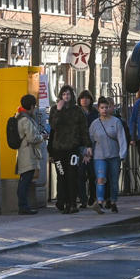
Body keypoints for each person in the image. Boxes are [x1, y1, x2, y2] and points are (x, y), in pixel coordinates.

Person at [49, 85, 92, 214]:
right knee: (61, 175)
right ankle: (62, 201)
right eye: (64, 94)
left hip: (72, 148)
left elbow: (84, 130)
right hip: (58, 149)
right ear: (60, 96)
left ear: (72, 96)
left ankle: (72, 203)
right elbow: (53, 126)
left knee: (72, 175)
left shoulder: (77, 111)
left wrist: (88, 146)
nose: (66, 97)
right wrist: (59, 110)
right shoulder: (54, 109)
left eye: (68, 94)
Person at [89, 97, 127, 214]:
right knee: (100, 179)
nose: (104, 110)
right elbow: (90, 140)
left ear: (110, 108)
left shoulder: (116, 122)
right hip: (99, 156)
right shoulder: (94, 124)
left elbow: (122, 138)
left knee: (114, 180)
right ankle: (99, 202)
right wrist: (87, 151)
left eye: (106, 107)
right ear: (98, 109)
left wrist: (122, 154)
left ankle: (113, 201)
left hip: (114, 155)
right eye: (102, 108)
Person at [15, 94, 45, 215]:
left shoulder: (20, 117)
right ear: (32, 106)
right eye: (35, 106)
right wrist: (42, 137)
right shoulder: (25, 120)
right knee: (25, 182)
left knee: (24, 181)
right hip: (28, 153)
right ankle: (23, 206)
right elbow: (32, 137)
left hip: (24, 152)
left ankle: (24, 206)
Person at [77, 90, 98, 209]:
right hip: (80, 147)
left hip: (93, 147)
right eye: (82, 98)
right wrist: (84, 151)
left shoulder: (95, 113)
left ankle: (92, 197)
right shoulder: (76, 113)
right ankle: (83, 199)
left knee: (92, 175)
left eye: (87, 98)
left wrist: (90, 150)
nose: (84, 100)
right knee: (80, 175)